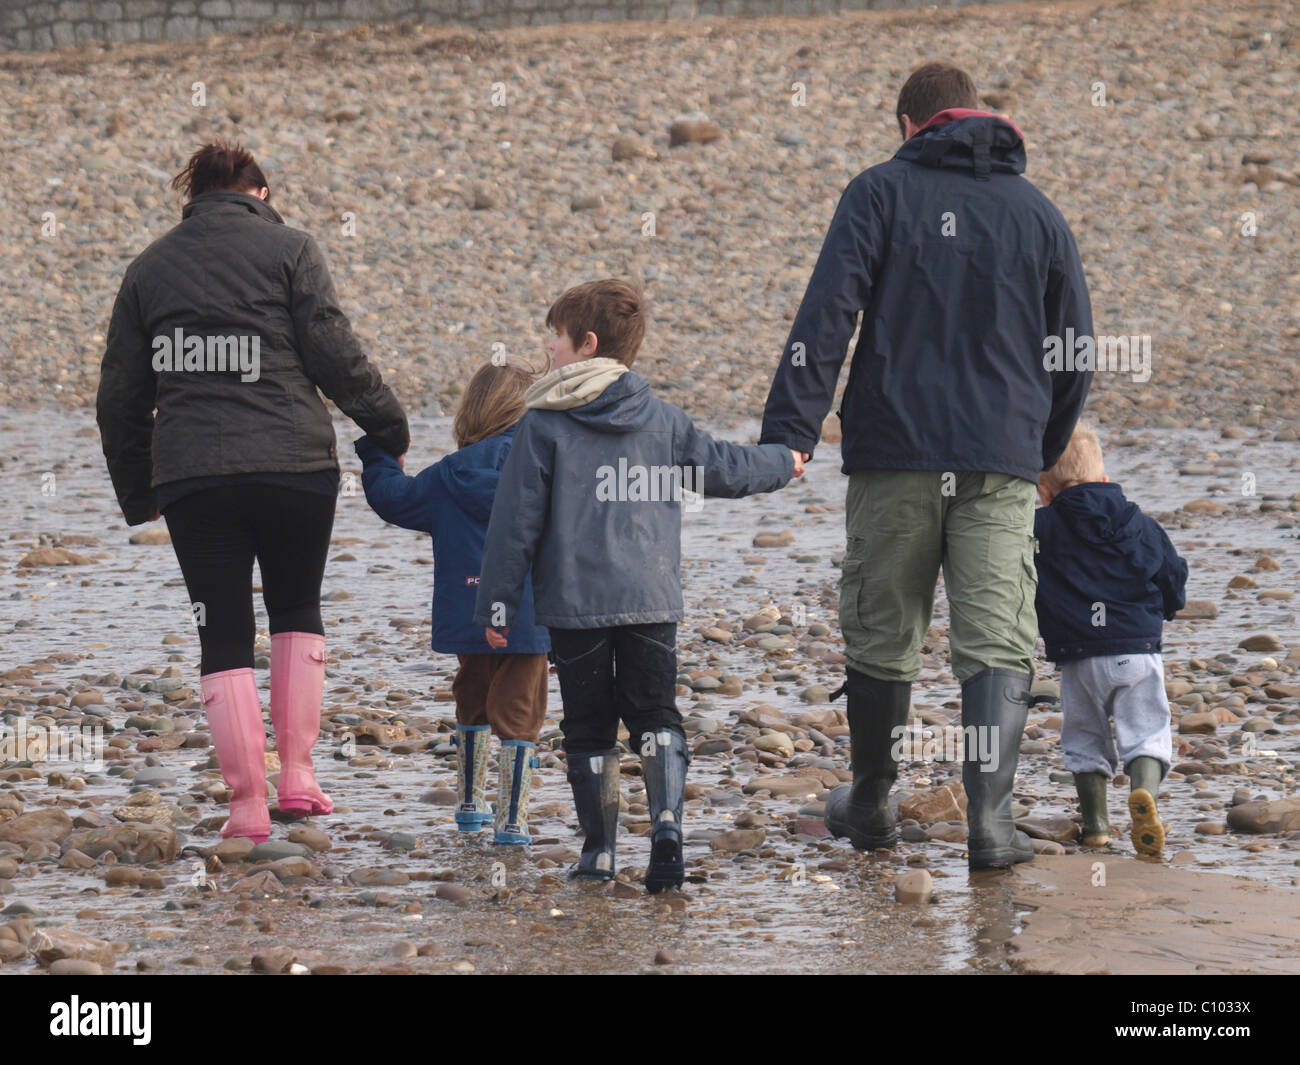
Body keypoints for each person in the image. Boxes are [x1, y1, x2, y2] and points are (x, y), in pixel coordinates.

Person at [758, 62, 1094, 870]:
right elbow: (1074, 346)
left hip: (895, 452)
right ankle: (990, 821)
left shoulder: (878, 193)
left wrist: (791, 433)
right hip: (999, 457)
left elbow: (827, 314)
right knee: (995, 637)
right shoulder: (1036, 212)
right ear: (976, 115)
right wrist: (1042, 445)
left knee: (883, 629)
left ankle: (871, 802)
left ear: (909, 126)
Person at [96, 140, 409, 844]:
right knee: (299, 607)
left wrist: (136, 489)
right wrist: (387, 423)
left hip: (194, 479)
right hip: (294, 467)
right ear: (260, 194)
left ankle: (246, 806)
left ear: (193, 198)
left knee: (223, 632)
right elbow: (334, 351)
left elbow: (119, 396)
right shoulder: (292, 250)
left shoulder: (148, 268)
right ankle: (297, 776)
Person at [472, 279, 802, 892]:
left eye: (556, 336)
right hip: (651, 598)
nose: (547, 347)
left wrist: (496, 600)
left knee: (590, 728)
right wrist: (784, 462)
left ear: (586, 343)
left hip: (576, 606)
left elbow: (513, 524)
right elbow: (723, 469)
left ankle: (599, 853)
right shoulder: (664, 420)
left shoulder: (543, 426)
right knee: (656, 713)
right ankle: (668, 824)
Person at [355, 359, 551, 845]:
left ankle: (468, 803)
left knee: (473, 693)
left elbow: (392, 498)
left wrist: (381, 453)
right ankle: (512, 820)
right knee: (520, 711)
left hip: (468, 608)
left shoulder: (448, 475)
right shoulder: (547, 469)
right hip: (526, 616)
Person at [1034, 423, 1186, 857]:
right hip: (1136, 650)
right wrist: (1167, 608)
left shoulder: (1041, 527)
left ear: (1044, 490)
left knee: (1083, 738)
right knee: (1148, 731)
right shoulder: (1139, 523)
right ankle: (1145, 794)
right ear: (1103, 477)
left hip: (1079, 657)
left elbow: (1020, 577)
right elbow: (1171, 573)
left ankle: (1097, 825)